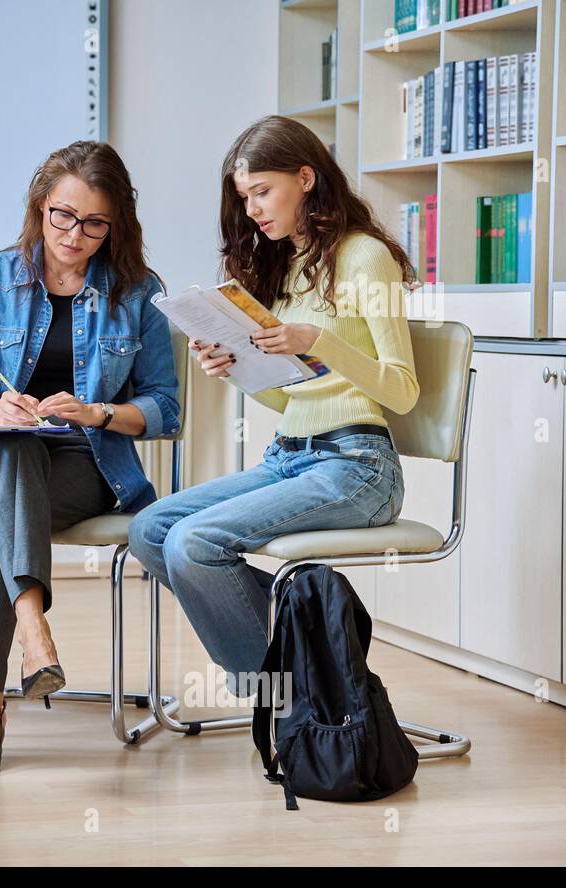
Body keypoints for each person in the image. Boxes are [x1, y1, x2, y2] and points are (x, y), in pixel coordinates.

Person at [128, 114, 419, 699]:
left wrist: (320, 342)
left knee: (195, 542)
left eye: (263, 191)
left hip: (357, 466)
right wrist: (237, 370)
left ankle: (278, 700)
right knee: (152, 529)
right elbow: (291, 396)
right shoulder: (283, 265)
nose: (254, 209)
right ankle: (309, 662)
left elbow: (402, 389)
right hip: (289, 454)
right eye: (245, 197)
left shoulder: (365, 259)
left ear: (306, 178)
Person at [0, 141, 181, 778]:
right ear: (40, 209)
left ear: (116, 224)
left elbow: (165, 407)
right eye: (62, 216)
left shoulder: (138, 292)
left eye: (95, 224)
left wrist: (96, 413)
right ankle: (33, 635)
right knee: (6, 451)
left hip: (85, 463)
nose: (75, 235)